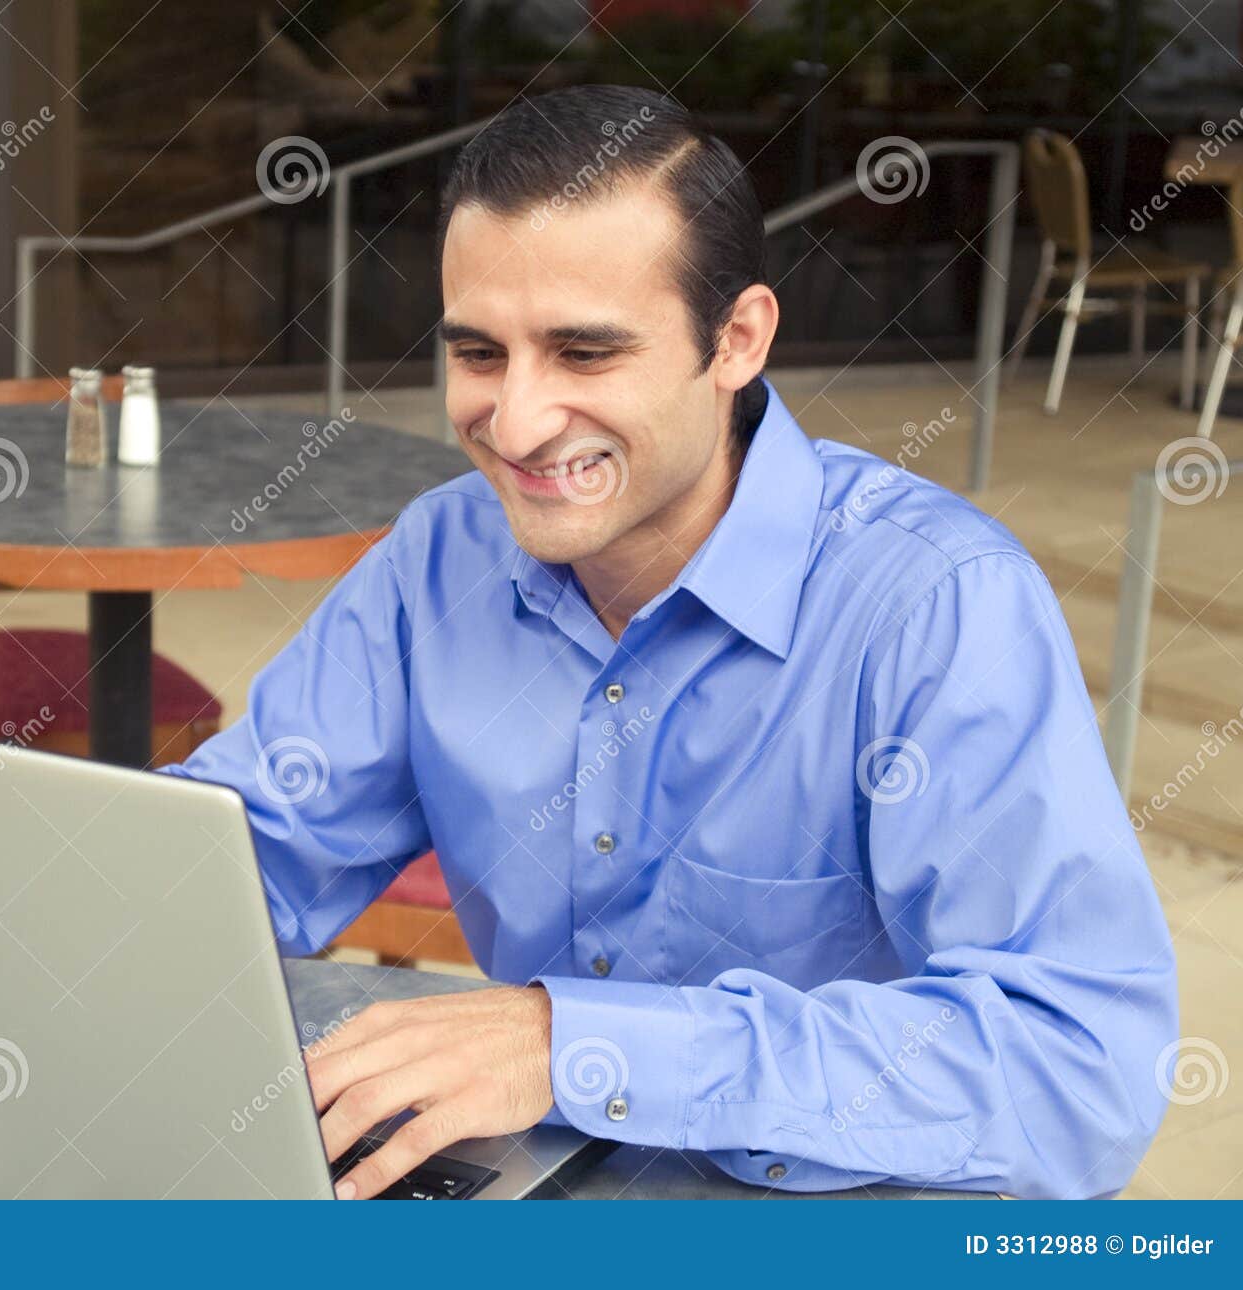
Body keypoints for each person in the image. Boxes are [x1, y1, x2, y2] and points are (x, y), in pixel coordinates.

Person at [161, 84, 1177, 1200]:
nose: (517, 422)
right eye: (480, 354)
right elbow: (236, 863)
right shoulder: (437, 560)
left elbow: (1079, 1071)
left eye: (584, 354)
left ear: (735, 339)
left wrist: (576, 1049)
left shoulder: (935, 605)